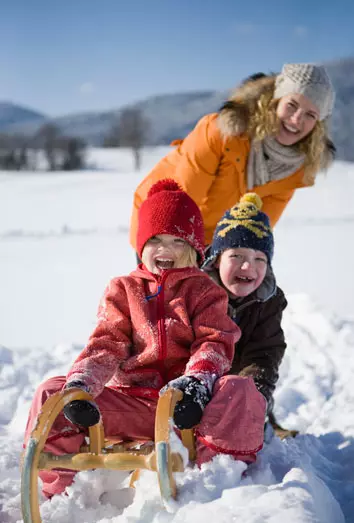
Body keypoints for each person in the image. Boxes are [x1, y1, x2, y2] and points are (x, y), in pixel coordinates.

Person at [23, 180, 267, 499]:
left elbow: (214, 342)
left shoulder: (207, 292)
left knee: (240, 390)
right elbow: (106, 343)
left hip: (187, 410)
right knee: (51, 394)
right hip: (132, 405)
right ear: (141, 247)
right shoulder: (123, 291)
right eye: (155, 240)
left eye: (177, 241)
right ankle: (61, 490)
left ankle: (215, 480)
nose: (165, 249)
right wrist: (82, 385)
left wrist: (195, 383)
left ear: (194, 249)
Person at [130, 63, 335, 251]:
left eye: (311, 115)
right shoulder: (222, 132)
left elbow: (255, 229)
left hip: (213, 241)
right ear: (275, 100)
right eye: (292, 105)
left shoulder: (293, 169)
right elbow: (181, 203)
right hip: (161, 224)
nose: (297, 119)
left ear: (318, 124)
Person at [202, 192, 296, 439]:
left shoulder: (269, 300)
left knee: (247, 396)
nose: (247, 267)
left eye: (259, 259)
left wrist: (254, 395)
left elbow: (265, 352)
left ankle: (264, 417)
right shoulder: (195, 292)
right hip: (196, 378)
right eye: (237, 256)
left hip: (238, 381)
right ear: (216, 259)